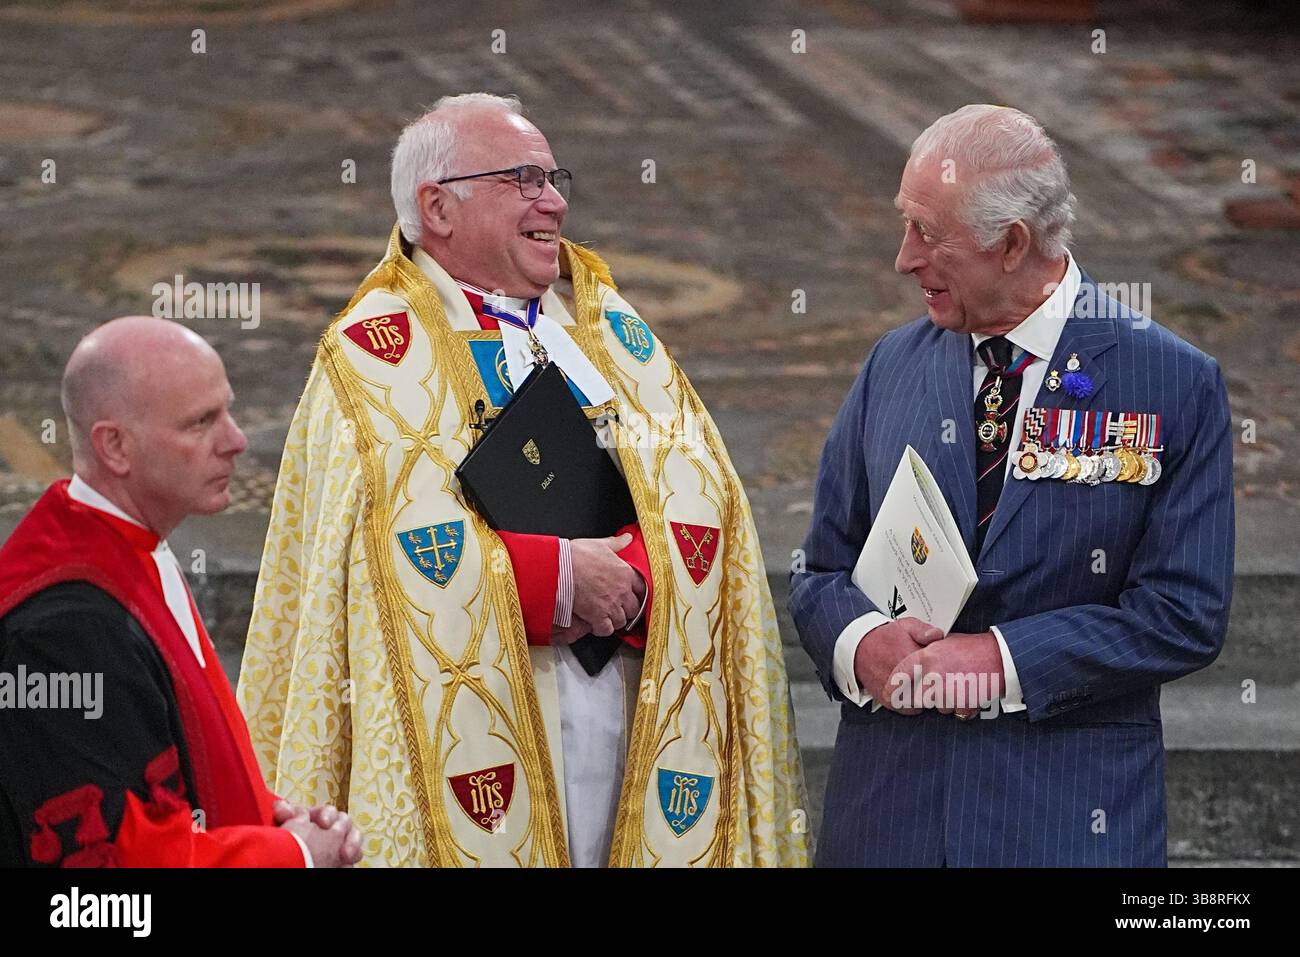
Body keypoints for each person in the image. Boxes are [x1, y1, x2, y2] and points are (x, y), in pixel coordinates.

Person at [239, 93, 808, 867]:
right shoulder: (369, 360)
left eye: (554, 177)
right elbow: (378, 560)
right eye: (524, 179)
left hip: (628, 718)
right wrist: (558, 579)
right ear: (436, 206)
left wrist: (638, 572)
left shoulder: (610, 337)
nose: (556, 201)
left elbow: (701, 497)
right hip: (477, 737)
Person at [791, 105, 1233, 867]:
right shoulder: (891, 365)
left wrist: (998, 660)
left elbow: (1183, 613)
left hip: (1061, 817)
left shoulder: (1171, 381)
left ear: (1012, 244)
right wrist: (863, 644)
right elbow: (820, 570)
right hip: (889, 814)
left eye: (928, 233)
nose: (903, 258)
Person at [0, 317, 363, 867]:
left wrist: (270, 817)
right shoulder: (62, 635)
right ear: (115, 447)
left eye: (228, 411)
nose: (237, 442)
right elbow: (113, 869)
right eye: (201, 423)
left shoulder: (128, 545)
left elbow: (166, 756)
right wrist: (293, 856)